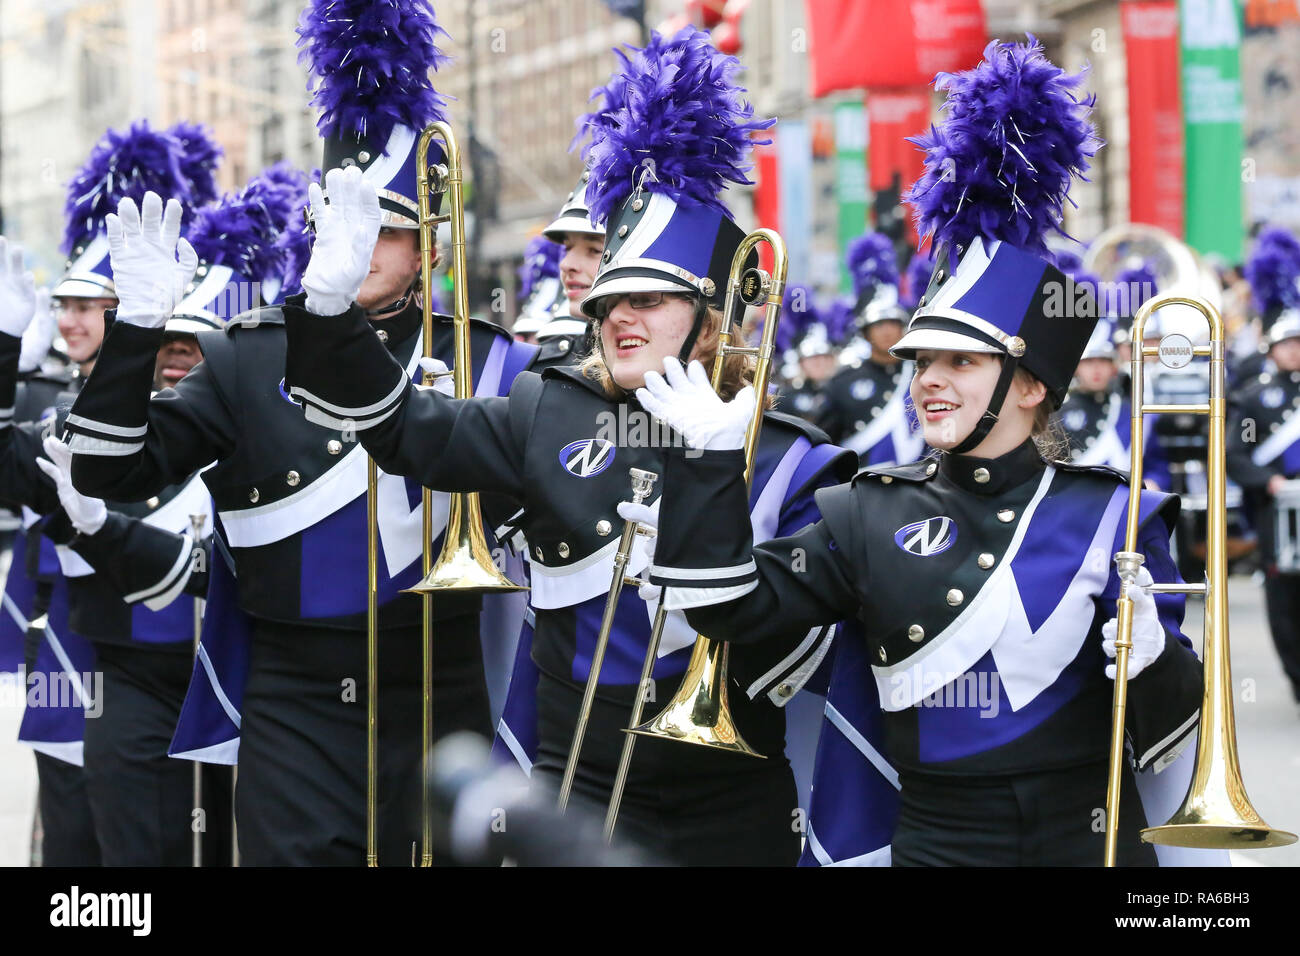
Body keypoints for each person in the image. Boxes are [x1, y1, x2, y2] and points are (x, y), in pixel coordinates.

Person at [275, 28, 854, 866]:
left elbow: (793, 643)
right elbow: (407, 433)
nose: (618, 315)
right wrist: (330, 314)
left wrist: (711, 474)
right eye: (609, 299)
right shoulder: (549, 409)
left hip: (731, 795)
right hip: (574, 779)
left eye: (651, 299)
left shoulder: (790, 458)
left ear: (710, 319)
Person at [639, 39, 1206, 867]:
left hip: (1090, 840)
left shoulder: (1116, 515)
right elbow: (731, 613)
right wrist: (708, 471)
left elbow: (1166, 738)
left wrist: (1154, 665)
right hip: (937, 839)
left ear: (1031, 385)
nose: (928, 383)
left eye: (961, 363)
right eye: (921, 363)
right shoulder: (866, 510)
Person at [64, 0, 537, 865]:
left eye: (384, 231)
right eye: (338, 225)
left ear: (430, 247)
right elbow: (107, 472)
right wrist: (133, 333)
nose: (356, 248)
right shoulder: (249, 359)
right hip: (295, 691)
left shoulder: (494, 361)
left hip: (441, 684)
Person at [1228, 309, 1300, 703]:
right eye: (1288, 344)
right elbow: (1235, 456)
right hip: (1279, 506)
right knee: (1284, 597)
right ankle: (1297, 675)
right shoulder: (1253, 397)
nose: (1295, 351)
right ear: (1272, 349)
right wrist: (1268, 481)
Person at [818, 232, 924, 466]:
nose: (887, 331)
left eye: (893, 324)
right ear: (865, 333)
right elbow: (825, 447)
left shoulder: (923, 375)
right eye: (878, 325)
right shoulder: (842, 383)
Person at [1058, 317, 1170, 489]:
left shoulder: (1132, 411)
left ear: (1114, 366)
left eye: (1103, 360)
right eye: (1088, 362)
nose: (1096, 369)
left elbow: (1157, 467)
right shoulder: (1056, 411)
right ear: (1076, 367)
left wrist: (1152, 484)